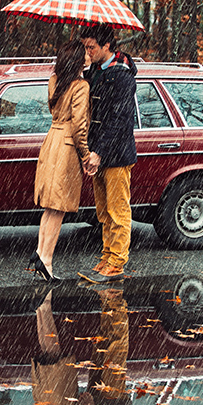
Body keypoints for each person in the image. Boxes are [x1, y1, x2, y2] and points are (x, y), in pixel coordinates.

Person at [79, 23, 137, 282]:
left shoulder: (122, 76)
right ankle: (107, 256)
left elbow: (118, 119)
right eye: (85, 47)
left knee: (117, 210)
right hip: (98, 154)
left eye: (91, 47)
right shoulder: (94, 71)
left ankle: (117, 263)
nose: (87, 52)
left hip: (116, 155)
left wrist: (99, 152)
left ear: (106, 46)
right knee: (103, 211)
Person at [30, 39, 90, 282]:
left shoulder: (55, 80)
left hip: (51, 140)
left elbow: (54, 110)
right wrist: (86, 154)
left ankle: (40, 252)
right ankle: (46, 260)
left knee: (50, 206)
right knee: (59, 207)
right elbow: (79, 125)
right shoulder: (81, 86)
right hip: (66, 147)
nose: (89, 55)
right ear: (77, 60)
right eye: (85, 52)